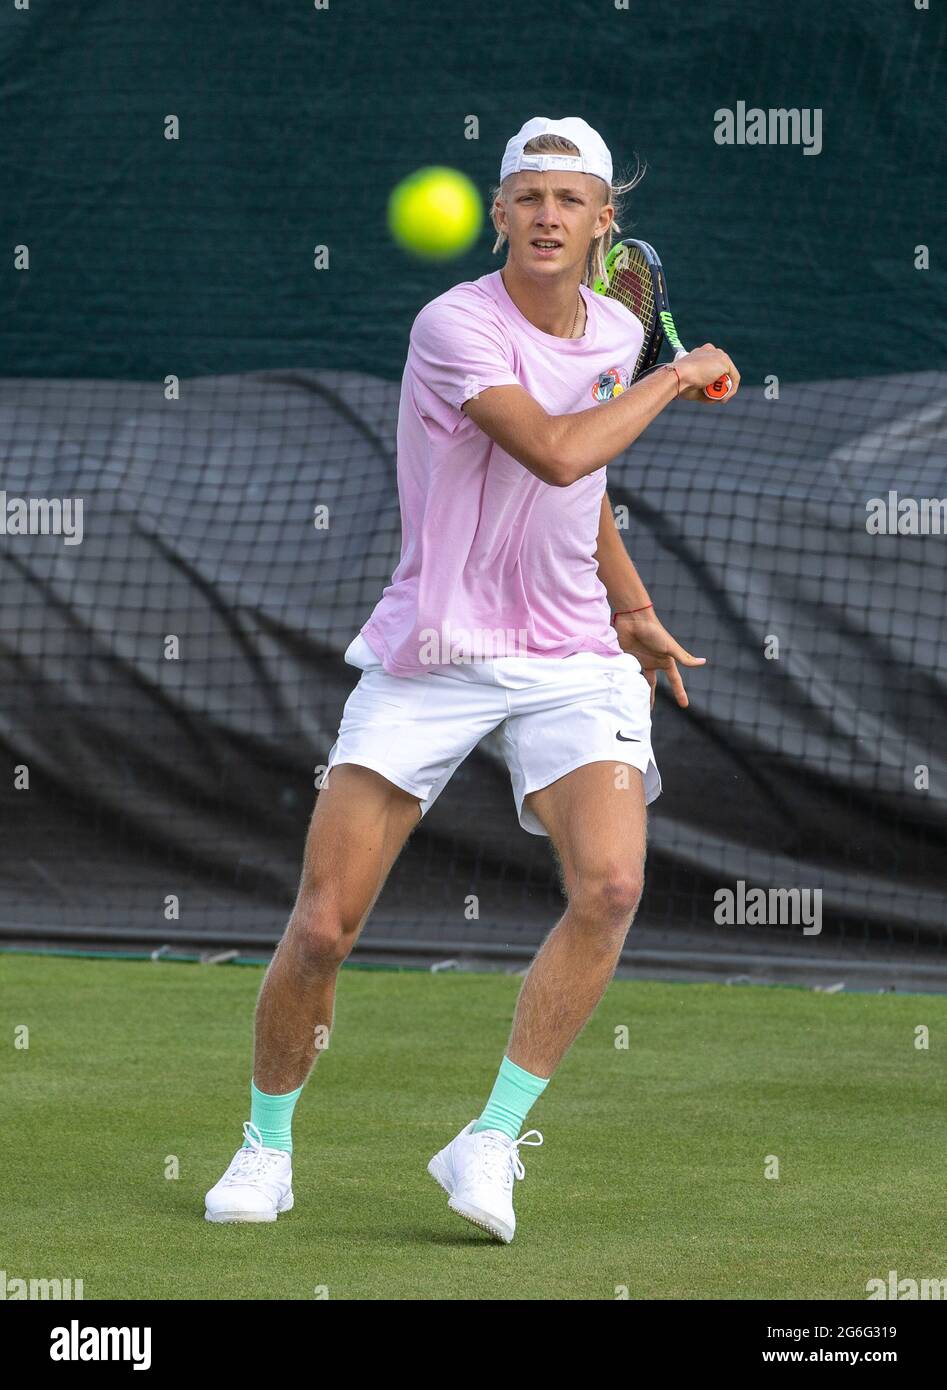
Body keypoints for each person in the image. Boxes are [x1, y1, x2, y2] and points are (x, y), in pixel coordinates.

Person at [204, 115, 739, 1242]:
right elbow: (553, 445)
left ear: (603, 225)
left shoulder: (607, 328)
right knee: (323, 926)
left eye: (570, 200)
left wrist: (632, 609)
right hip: (435, 651)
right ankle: (265, 1147)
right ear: (497, 214)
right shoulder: (452, 325)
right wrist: (672, 375)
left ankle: (489, 1137)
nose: (546, 216)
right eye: (527, 197)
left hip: (570, 656)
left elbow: (573, 494)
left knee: (609, 888)